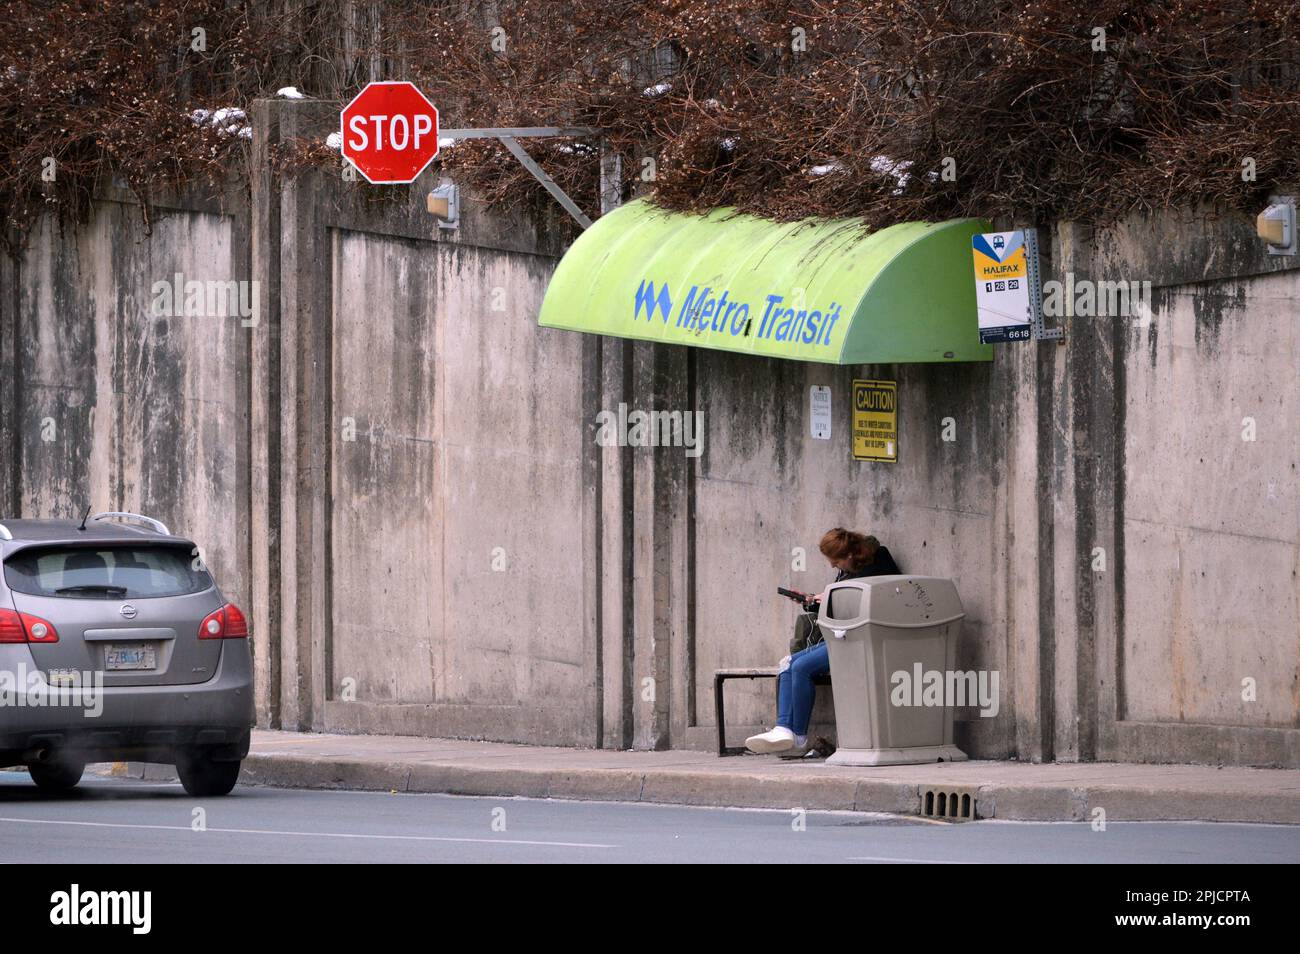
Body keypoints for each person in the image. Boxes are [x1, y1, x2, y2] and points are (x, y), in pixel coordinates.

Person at [745, 528, 901, 757]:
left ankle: (798, 737)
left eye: (835, 561)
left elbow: (873, 597)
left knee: (801, 667)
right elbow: (840, 604)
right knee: (788, 662)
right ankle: (785, 730)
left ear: (849, 555)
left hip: (864, 639)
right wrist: (812, 600)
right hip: (843, 635)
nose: (832, 566)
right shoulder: (847, 570)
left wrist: (830, 597)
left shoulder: (878, 562)